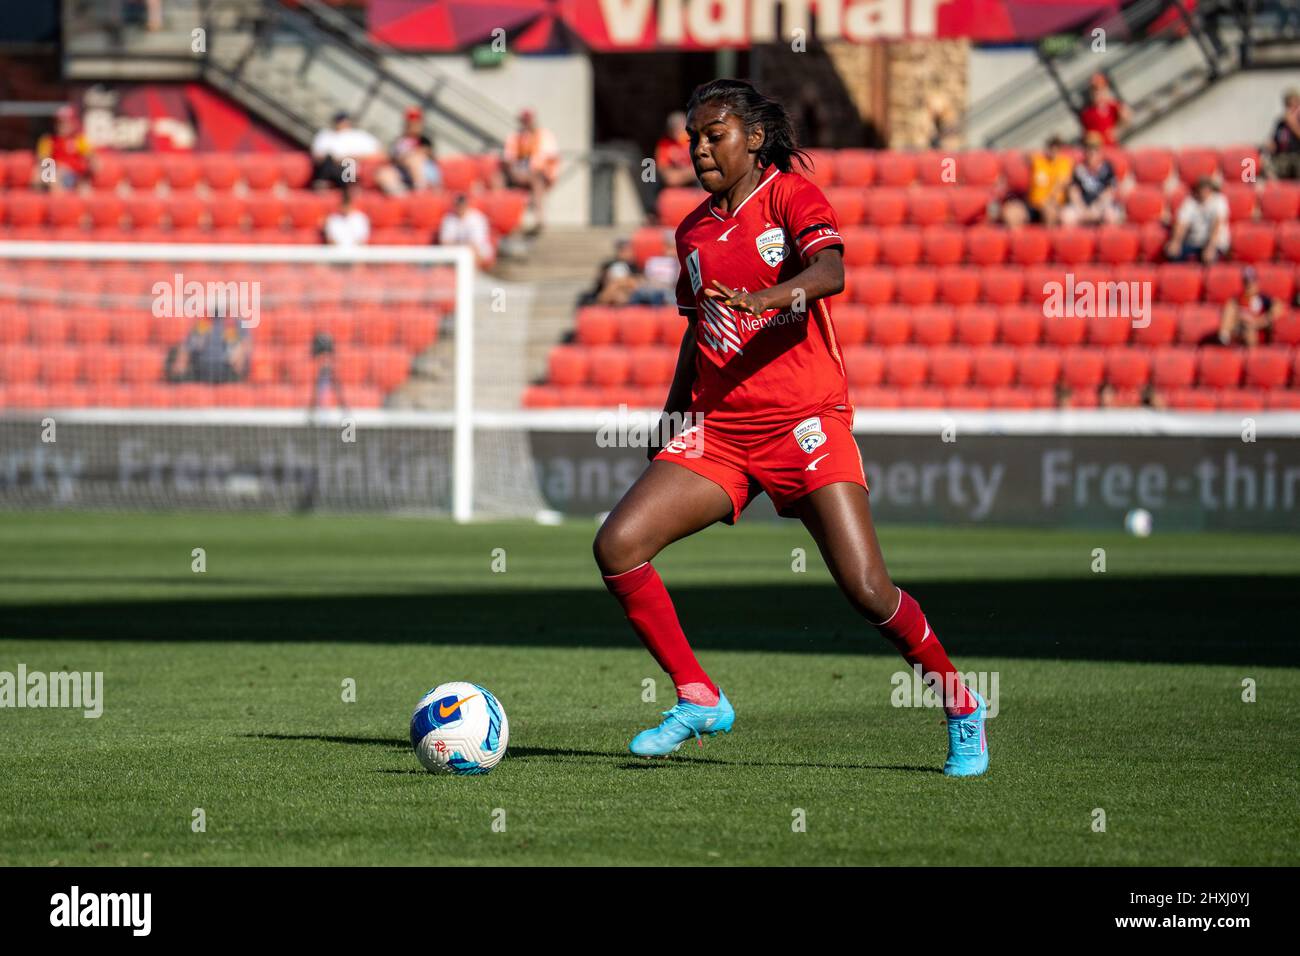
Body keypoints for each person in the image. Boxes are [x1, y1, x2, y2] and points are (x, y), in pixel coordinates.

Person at [592, 78, 989, 777]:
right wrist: (671, 414)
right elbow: (696, 334)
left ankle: (960, 704)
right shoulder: (692, 231)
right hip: (722, 431)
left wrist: (769, 297)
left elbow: (831, 270)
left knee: (867, 588)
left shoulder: (790, 197)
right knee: (618, 545)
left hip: (805, 419)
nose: (700, 148)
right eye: (692, 137)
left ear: (752, 137)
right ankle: (699, 695)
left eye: (713, 134)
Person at [502, 108, 559, 236]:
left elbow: (550, 158)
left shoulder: (544, 135)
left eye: (528, 121)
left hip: (539, 174)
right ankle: (510, 221)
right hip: (517, 174)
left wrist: (537, 170)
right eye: (524, 121)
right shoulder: (514, 137)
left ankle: (539, 219)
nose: (526, 124)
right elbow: (508, 158)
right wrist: (514, 173)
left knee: (536, 181)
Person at [165, 311, 251, 384]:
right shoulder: (202, 321)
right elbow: (192, 346)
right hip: (201, 370)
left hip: (228, 369)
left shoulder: (238, 321)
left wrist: (240, 352)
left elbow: (247, 344)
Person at [310, 112, 383, 189]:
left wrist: (352, 157)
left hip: (350, 168)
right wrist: (336, 160)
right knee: (328, 161)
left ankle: (347, 189)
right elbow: (317, 155)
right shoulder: (325, 134)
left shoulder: (359, 136)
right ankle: (323, 184)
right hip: (329, 166)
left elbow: (380, 154)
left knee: (349, 164)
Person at [1165, 176, 1230, 263]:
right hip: (1194, 242)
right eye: (1202, 188)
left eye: (1207, 188)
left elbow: (1217, 223)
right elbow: (1182, 223)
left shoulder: (1219, 200)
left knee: (1210, 258)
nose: (1204, 191)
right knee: (1172, 254)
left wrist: (1211, 246)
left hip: (1215, 243)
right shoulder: (1190, 201)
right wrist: (1176, 241)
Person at [381, 107, 442, 194]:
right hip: (404, 173)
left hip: (425, 172)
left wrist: (408, 155)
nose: (413, 126)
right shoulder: (399, 141)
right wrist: (404, 157)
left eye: (416, 123)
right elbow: (394, 158)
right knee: (384, 173)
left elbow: (427, 153)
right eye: (410, 123)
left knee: (414, 160)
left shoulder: (424, 140)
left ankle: (420, 192)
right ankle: (403, 198)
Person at [1066, 132, 1121, 225]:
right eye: (1088, 148)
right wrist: (1082, 209)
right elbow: (1073, 191)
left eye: (1095, 149)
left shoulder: (1107, 167)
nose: (1092, 152)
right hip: (1082, 207)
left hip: (1101, 206)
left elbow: (1110, 191)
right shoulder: (1079, 168)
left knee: (1110, 215)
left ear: (1100, 150)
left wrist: (1096, 207)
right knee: (1067, 216)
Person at [34, 106, 94, 192]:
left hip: (73, 176)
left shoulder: (79, 140)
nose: (61, 125)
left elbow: (92, 160)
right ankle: (37, 202)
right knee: (38, 174)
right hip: (53, 173)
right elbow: (42, 160)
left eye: (66, 122)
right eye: (59, 122)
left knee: (57, 177)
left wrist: (86, 169)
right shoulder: (49, 140)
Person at [1218, 267, 1281, 346]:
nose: (1249, 285)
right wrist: (1241, 317)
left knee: (1250, 331)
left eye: (1252, 282)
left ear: (1257, 282)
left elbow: (1278, 308)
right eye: (1246, 282)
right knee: (1231, 310)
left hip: (1257, 329)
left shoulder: (1263, 298)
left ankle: (1253, 355)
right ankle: (1224, 337)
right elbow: (1231, 312)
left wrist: (1258, 321)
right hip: (1240, 328)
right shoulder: (1237, 299)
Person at [438, 192, 495, 270]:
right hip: (457, 251)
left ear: (467, 205)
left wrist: (455, 244)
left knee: (471, 253)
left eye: (462, 205)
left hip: (478, 250)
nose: (460, 208)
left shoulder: (477, 218)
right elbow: (444, 242)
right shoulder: (449, 218)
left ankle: (475, 275)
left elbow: (475, 245)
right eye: (458, 205)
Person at [1025, 135, 1073, 224]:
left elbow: (1061, 184)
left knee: (1049, 212)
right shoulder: (1038, 161)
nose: (1053, 151)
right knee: (1013, 212)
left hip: (1052, 203)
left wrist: (1047, 202)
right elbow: (1025, 157)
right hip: (1034, 203)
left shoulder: (1063, 163)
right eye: (1051, 147)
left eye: (1056, 148)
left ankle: (1049, 237)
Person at [1078, 76, 1130, 146]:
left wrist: (1118, 130)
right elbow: (1085, 134)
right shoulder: (1087, 113)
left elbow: (1126, 118)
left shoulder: (1112, 106)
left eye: (1101, 89)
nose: (1098, 93)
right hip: (1098, 148)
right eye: (1095, 90)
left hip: (1112, 146)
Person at [654, 111, 696, 188]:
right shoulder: (664, 145)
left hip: (696, 186)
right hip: (674, 189)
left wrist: (680, 175)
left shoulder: (694, 141)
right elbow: (668, 177)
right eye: (673, 127)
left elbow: (700, 169)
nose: (677, 129)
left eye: (680, 125)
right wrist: (690, 173)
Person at [1266, 88, 1300, 180]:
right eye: (1288, 105)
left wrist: (1293, 124)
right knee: (1268, 169)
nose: (1291, 108)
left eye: (1294, 105)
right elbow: (1273, 141)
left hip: (1297, 157)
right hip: (1283, 158)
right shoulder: (1281, 123)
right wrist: (1271, 145)